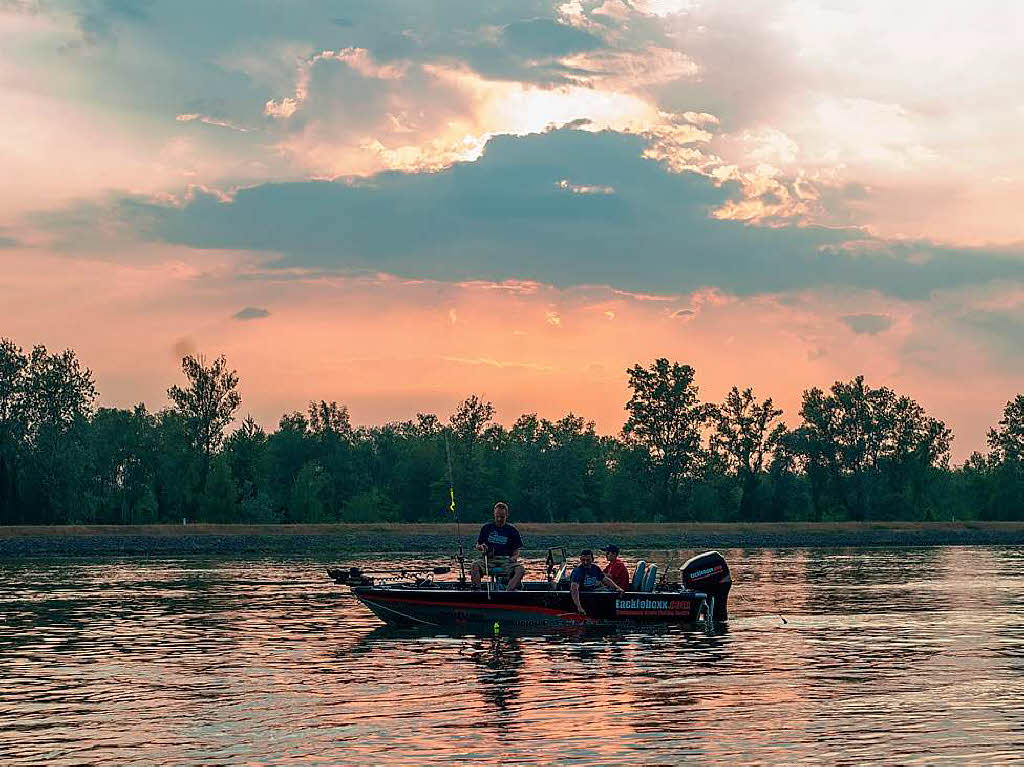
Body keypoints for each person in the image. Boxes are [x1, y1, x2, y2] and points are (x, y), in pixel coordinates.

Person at [470, 502, 526, 591]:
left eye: (502, 517)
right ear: (494, 514)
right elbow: (478, 545)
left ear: (507, 515)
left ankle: (508, 591)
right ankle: (477, 590)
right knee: (474, 565)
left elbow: (516, 552)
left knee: (520, 569)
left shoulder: (512, 530)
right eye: (497, 516)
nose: (499, 519)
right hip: (489, 560)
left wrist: (513, 558)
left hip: (506, 560)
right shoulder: (486, 528)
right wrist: (481, 547)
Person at [570, 549, 624, 616]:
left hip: (595, 590)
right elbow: (574, 589)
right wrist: (579, 606)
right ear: (580, 559)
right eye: (583, 560)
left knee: (608, 590)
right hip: (585, 595)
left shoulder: (595, 568)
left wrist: (617, 588)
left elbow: (605, 579)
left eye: (588, 560)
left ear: (592, 559)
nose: (585, 562)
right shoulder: (578, 571)